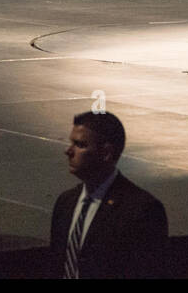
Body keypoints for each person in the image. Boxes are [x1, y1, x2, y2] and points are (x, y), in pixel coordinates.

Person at [50, 111, 168, 279]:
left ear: (106, 153)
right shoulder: (65, 203)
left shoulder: (142, 210)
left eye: (80, 145)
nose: (68, 151)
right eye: (71, 143)